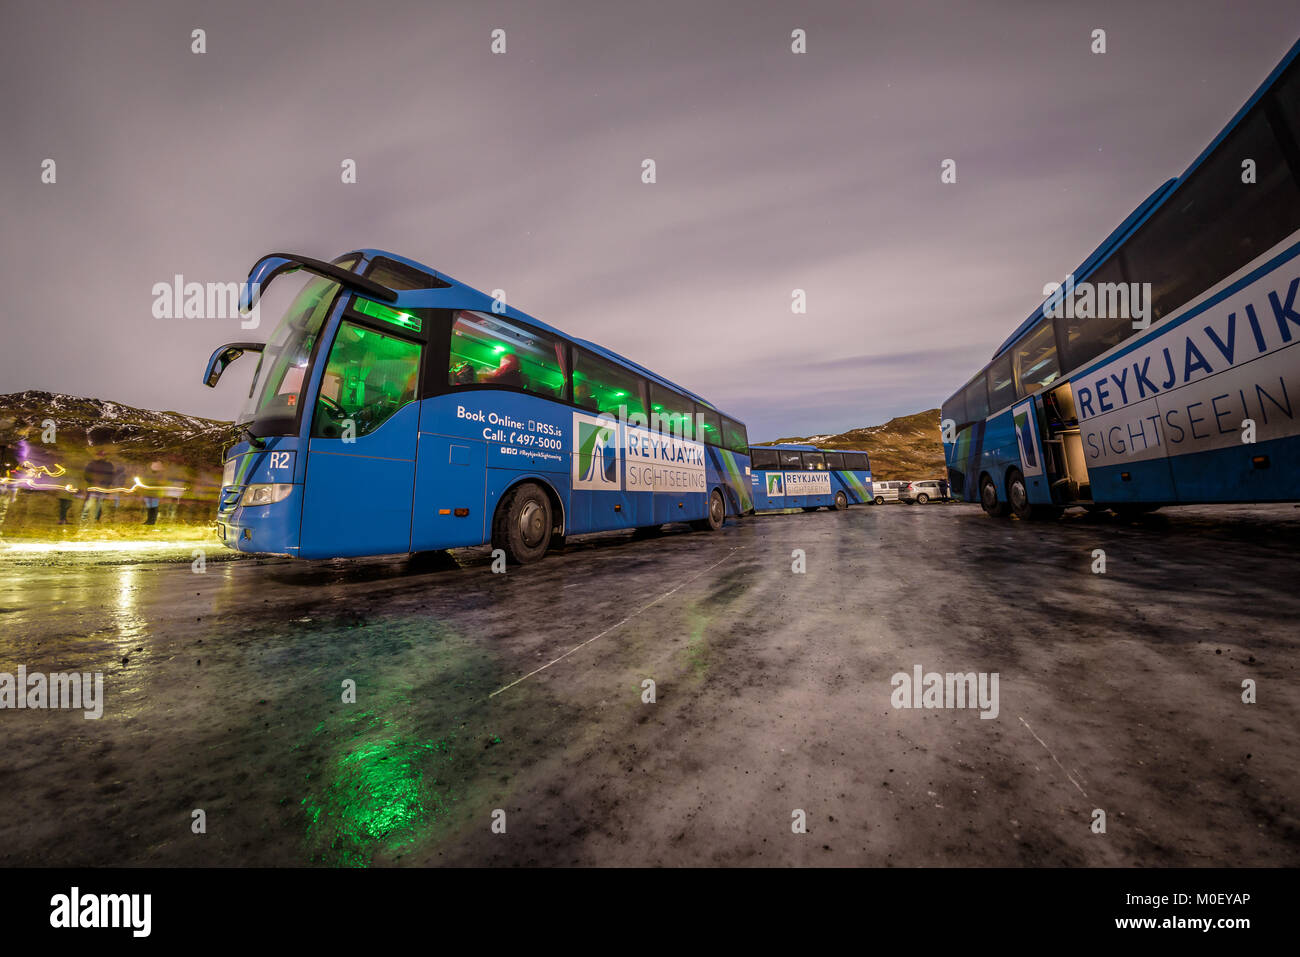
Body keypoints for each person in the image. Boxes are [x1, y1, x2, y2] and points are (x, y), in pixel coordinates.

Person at [81, 448, 115, 522]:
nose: (101, 456)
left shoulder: (108, 465)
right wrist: (93, 481)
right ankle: (84, 517)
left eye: (103, 455)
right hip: (94, 486)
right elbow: (86, 475)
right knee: (90, 502)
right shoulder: (92, 464)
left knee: (99, 502)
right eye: (100, 455)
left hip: (101, 487)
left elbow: (110, 476)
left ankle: (96, 518)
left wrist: (107, 484)